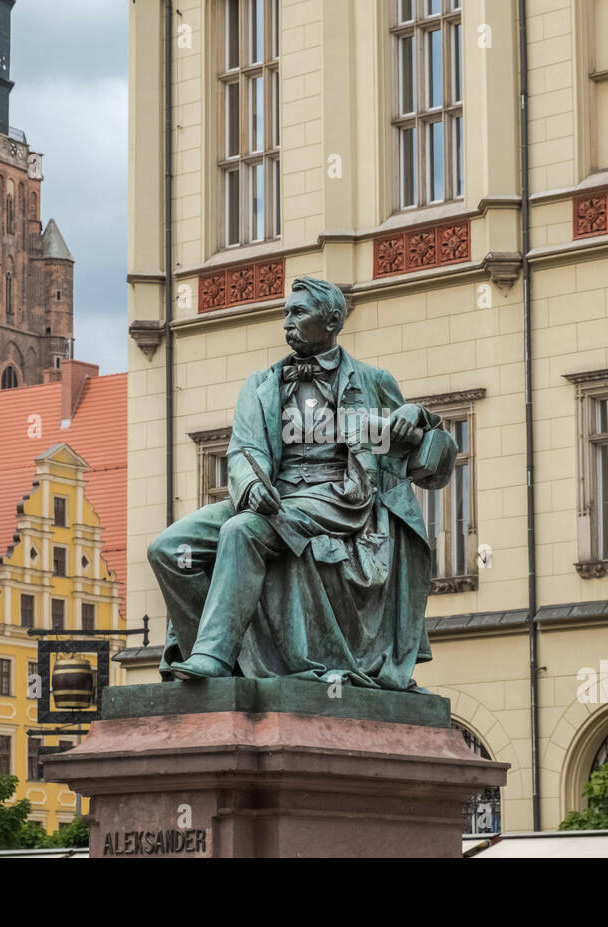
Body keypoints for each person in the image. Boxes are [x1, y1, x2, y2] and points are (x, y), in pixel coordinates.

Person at [147, 277, 456, 690]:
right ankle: (226, 660)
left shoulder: (372, 380)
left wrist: (417, 416)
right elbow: (244, 450)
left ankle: (214, 654)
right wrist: (251, 486)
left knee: (241, 531)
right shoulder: (261, 384)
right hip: (273, 494)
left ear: (331, 320)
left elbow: (428, 463)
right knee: (167, 550)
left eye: (298, 312)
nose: (287, 322)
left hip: (337, 497)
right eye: (285, 313)